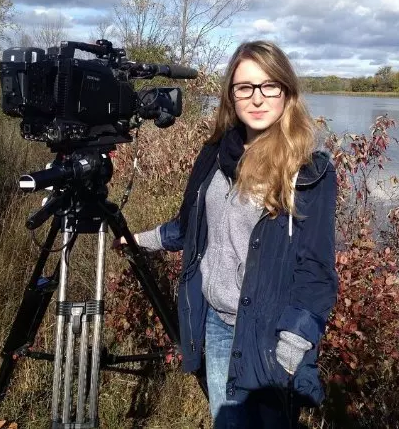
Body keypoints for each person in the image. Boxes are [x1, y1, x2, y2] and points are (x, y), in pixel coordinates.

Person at [113, 40, 338, 428]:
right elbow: (193, 229)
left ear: (286, 92)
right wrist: (140, 240)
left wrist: (291, 348)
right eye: (244, 87)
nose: (257, 97)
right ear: (231, 95)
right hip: (215, 326)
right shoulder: (216, 155)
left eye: (269, 86)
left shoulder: (307, 171)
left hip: (269, 337)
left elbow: (316, 272)